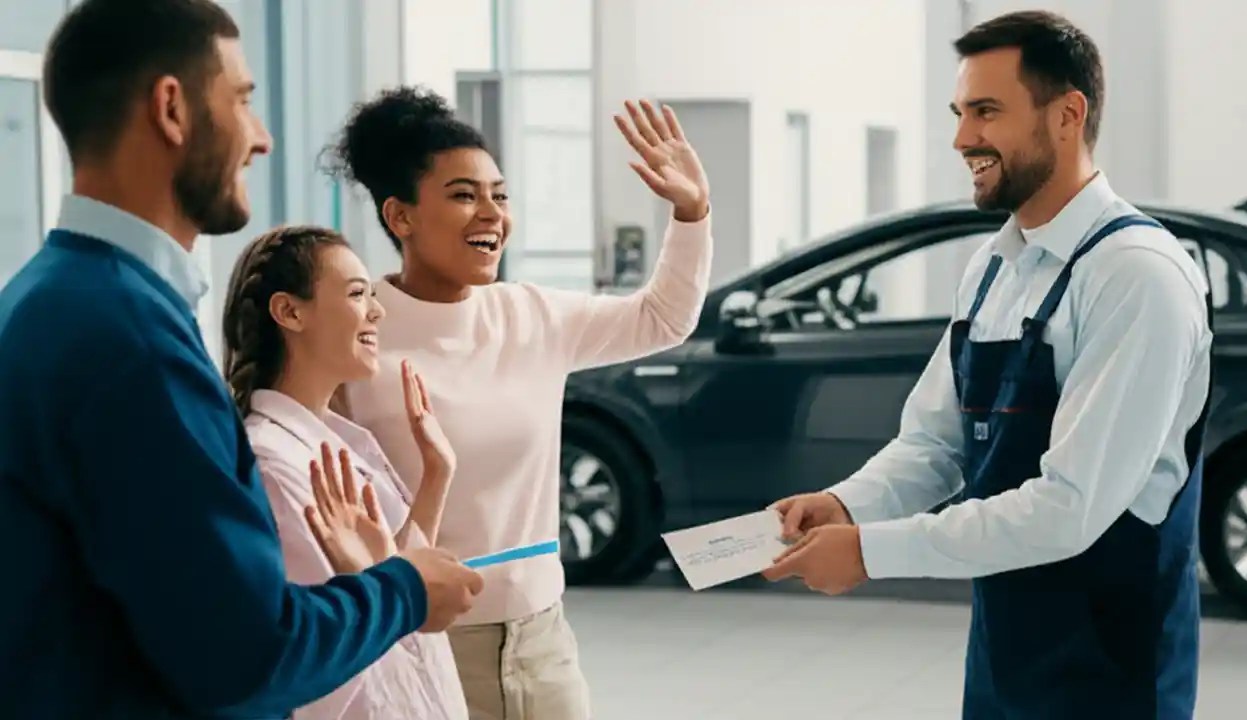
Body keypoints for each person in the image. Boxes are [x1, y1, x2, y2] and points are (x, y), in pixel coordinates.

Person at [0, 2, 480, 717]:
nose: (261, 138)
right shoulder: (128, 338)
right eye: (244, 101)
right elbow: (248, 654)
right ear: (172, 108)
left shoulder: (45, 298)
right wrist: (404, 590)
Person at [762, 11, 1212, 720]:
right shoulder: (994, 267)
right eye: (958, 112)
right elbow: (935, 443)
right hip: (1005, 663)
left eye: (986, 111)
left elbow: (1068, 510)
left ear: (1068, 115)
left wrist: (871, 551)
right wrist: (849, 505)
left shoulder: (1137, 277)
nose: (961, 137)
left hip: (1110, 678)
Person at [326, 86, 714, 719]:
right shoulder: (355, 328)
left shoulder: (531, 315)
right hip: (417, 645)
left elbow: (662, 319)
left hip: (542, 645)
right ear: (400, 217)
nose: (491, 215)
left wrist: (692, 212)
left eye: (499, 196)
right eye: (463, 196)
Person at [221, 225, 474, 719]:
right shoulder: (275, 465)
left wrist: (437, 475)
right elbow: (325, 660)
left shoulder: (334, 442)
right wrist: (378, 579)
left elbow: (392, 577)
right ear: (290, 312)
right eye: (358, 294)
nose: (377, 311)